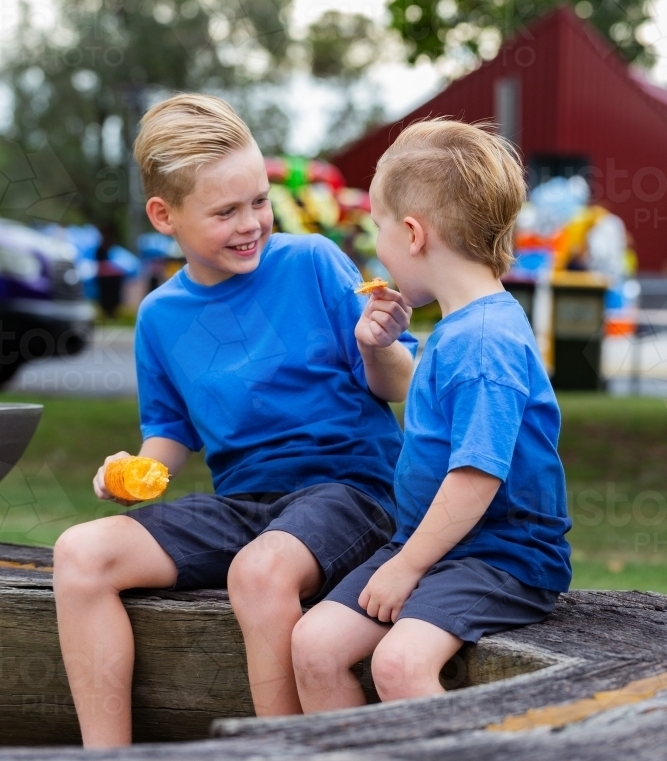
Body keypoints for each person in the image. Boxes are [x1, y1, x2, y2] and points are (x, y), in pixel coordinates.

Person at [53, 94, 417, 747]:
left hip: (351, 492)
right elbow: (168, 437)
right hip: (247, 505)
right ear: (165, 216)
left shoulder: (311, 263)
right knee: (79, 553)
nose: (251, 222)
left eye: (257, 201)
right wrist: (134, 473)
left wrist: (377, 343)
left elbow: (397, 386)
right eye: (225, 211)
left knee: (259, 571)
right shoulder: (160, 318)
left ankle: (277, 751)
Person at [291, 119, 572, 710]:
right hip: (429, 546)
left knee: (399, 663)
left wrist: (404, 568)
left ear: (414, 234)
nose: (378, 250)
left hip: (500, 555)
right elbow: (432, 411)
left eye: (379, 230)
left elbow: (476, 476)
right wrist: (375, 347)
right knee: (315, 645)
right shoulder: (458, 327)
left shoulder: (485, 341)